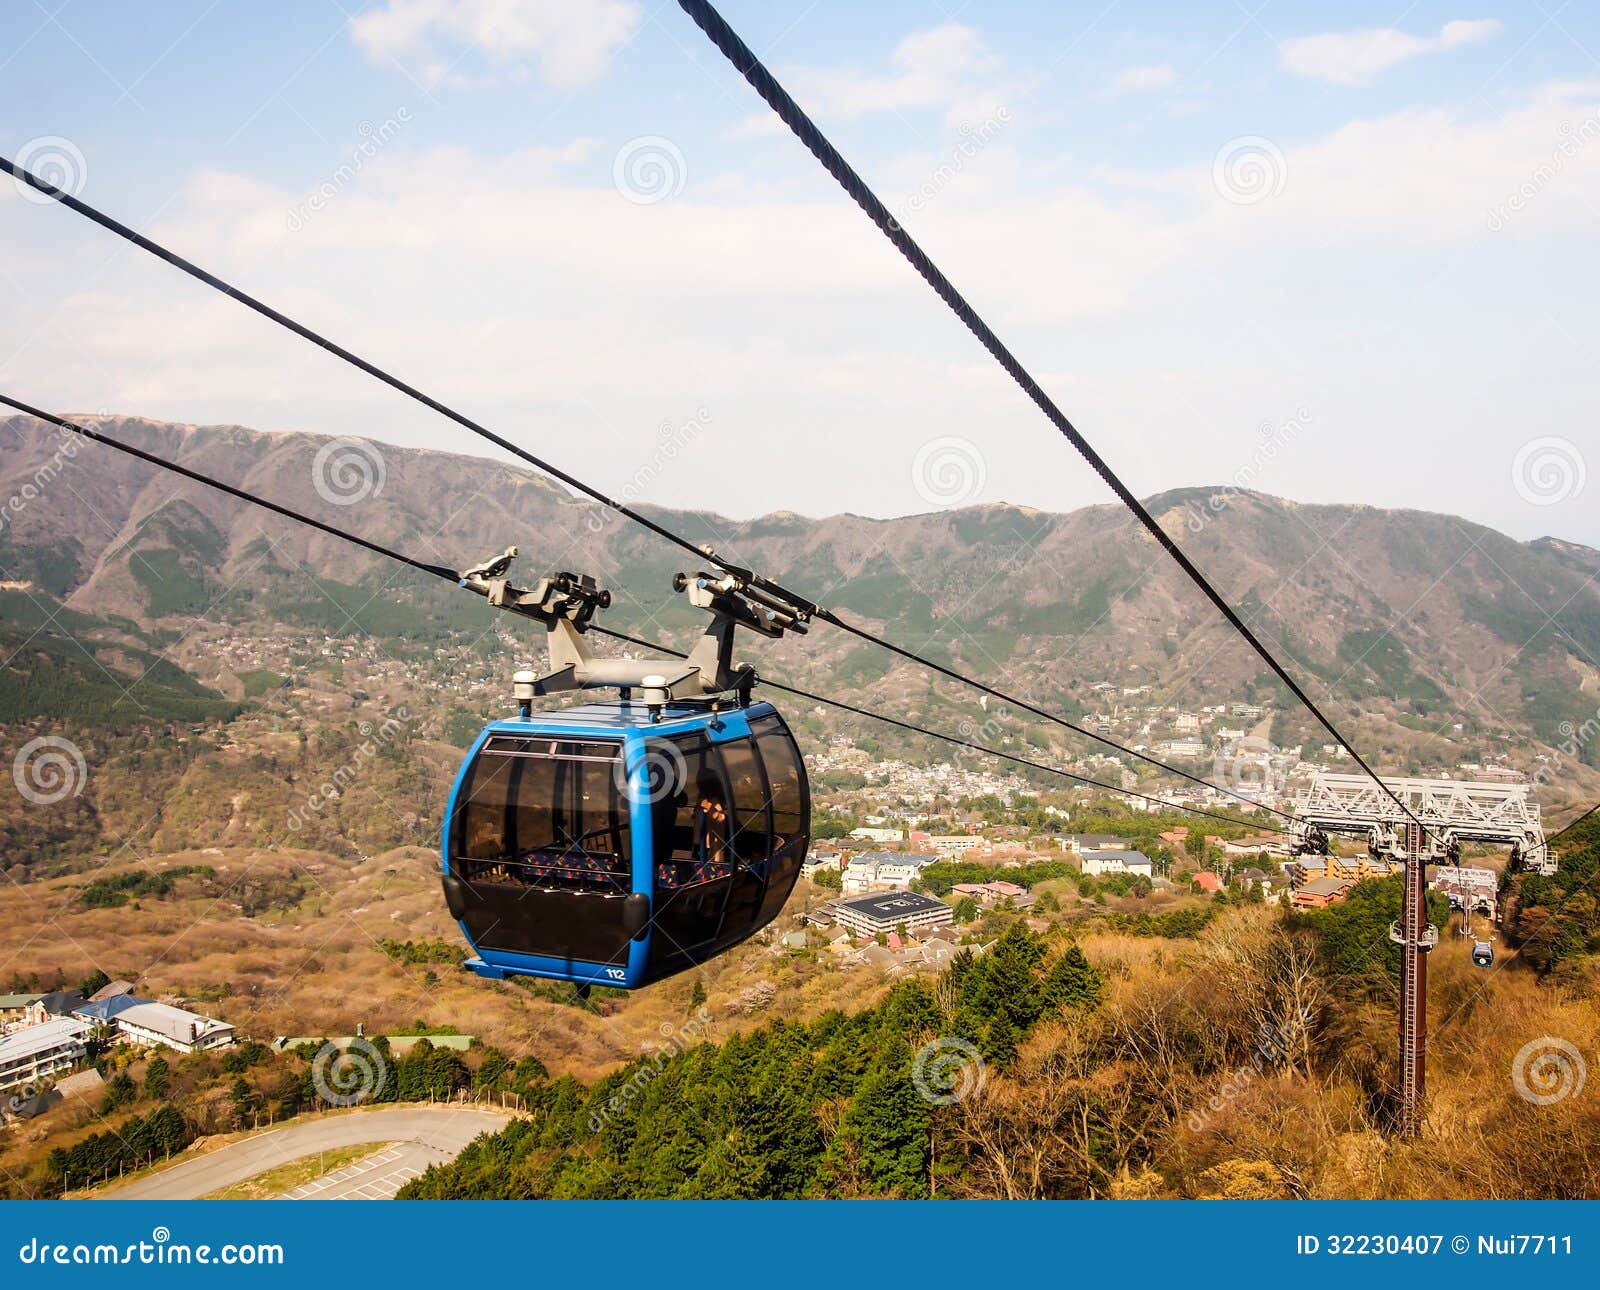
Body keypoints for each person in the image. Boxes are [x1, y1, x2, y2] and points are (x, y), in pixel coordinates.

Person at [694, 775, 731, 881]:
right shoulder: (702, 801)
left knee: (713, 869)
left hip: (712, 844)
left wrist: (708, 807)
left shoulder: (714, 802)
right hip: (701, 841)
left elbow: (720, 817)